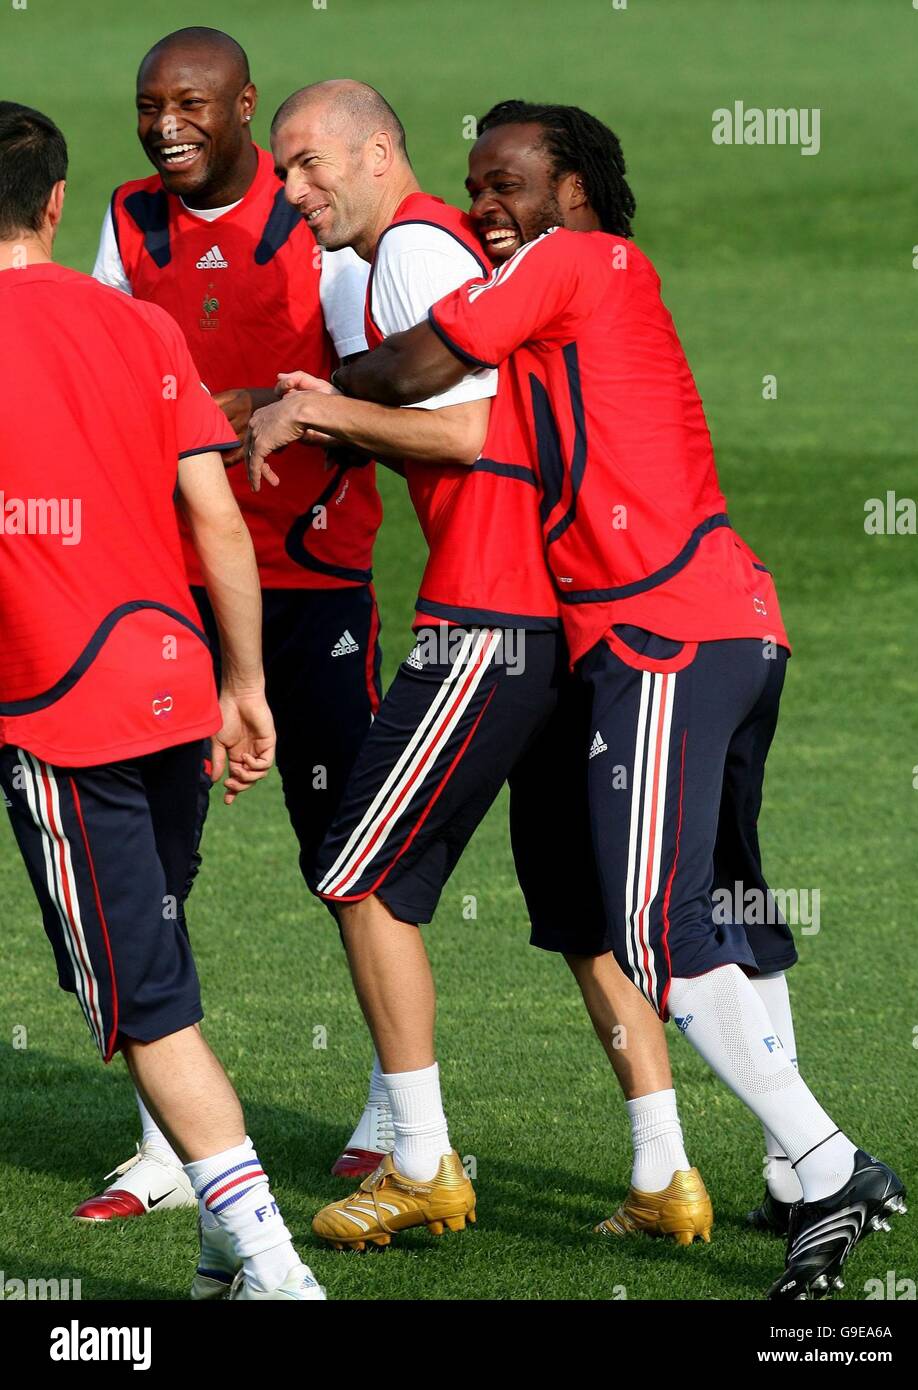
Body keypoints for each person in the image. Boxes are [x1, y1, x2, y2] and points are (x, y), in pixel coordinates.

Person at [299, 100, 907, 1300]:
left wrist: (309, 396)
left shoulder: (572, 262)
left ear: (574, 190)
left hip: (661, 636)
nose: (486, 205)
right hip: (737, 627)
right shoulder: (587, 299)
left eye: (510, 183)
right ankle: (791, 1169)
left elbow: (422, 363)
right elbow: (473, 427)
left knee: (655, 929)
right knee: (730, 906)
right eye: (477, 184)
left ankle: (829, 1162)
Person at [248, 81, 712, 1250]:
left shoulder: (409, 253)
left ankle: (417, 1159)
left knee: (357, 874)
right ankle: (667, 1170)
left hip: (488, 619)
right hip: (560, 623)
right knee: (577, 913)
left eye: (307, 167)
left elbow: (471, 427)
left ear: (375, 153)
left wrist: (316, 417)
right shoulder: (445, 249)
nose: (291, 193)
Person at [0, 101, 324, 1300]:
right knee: (162, 951)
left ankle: (276, 1270)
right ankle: (217, 1262)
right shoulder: (139, 327)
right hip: (173, 680)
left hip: (54, 706)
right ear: (53, 206)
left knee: (147, 1000)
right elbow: (216, 512)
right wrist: (244, 684)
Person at [74, 26, 379, 1222]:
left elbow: (386, 379)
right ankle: (165, 1144)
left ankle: (403, 1118)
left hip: (306, 578)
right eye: (150, 103)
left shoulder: (315, 217)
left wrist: (268, 410)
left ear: (245, 104)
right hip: (162, 584)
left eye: (191, 103)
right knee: (155, 857)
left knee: (350, 850)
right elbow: (94, 365)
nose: (166, 125)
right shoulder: (125, 219)